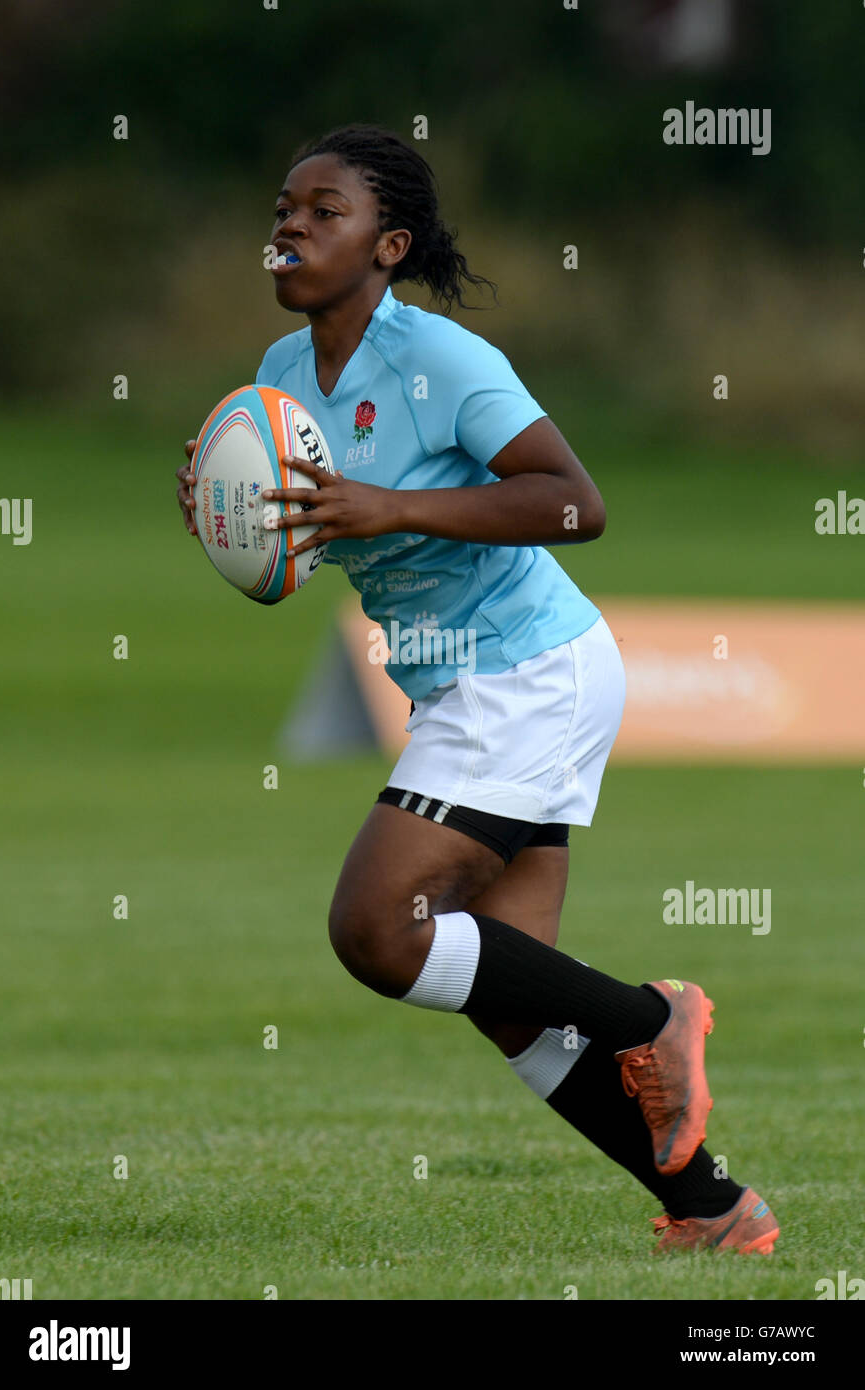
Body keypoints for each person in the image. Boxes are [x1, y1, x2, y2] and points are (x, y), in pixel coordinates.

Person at [176, 124, 778, 1255]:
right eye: (281, 210)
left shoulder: (440, 361)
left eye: (323, 211)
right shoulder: (275, 380)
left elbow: (572, 503)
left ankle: (655, 1017)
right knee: (510, 1003)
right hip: (460, 686)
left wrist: (387, 505)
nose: (290, 227)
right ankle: (714, 1211)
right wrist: (234, 517)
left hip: (526, 670)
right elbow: (297, 555)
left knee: (378, 928)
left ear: (389, 245)